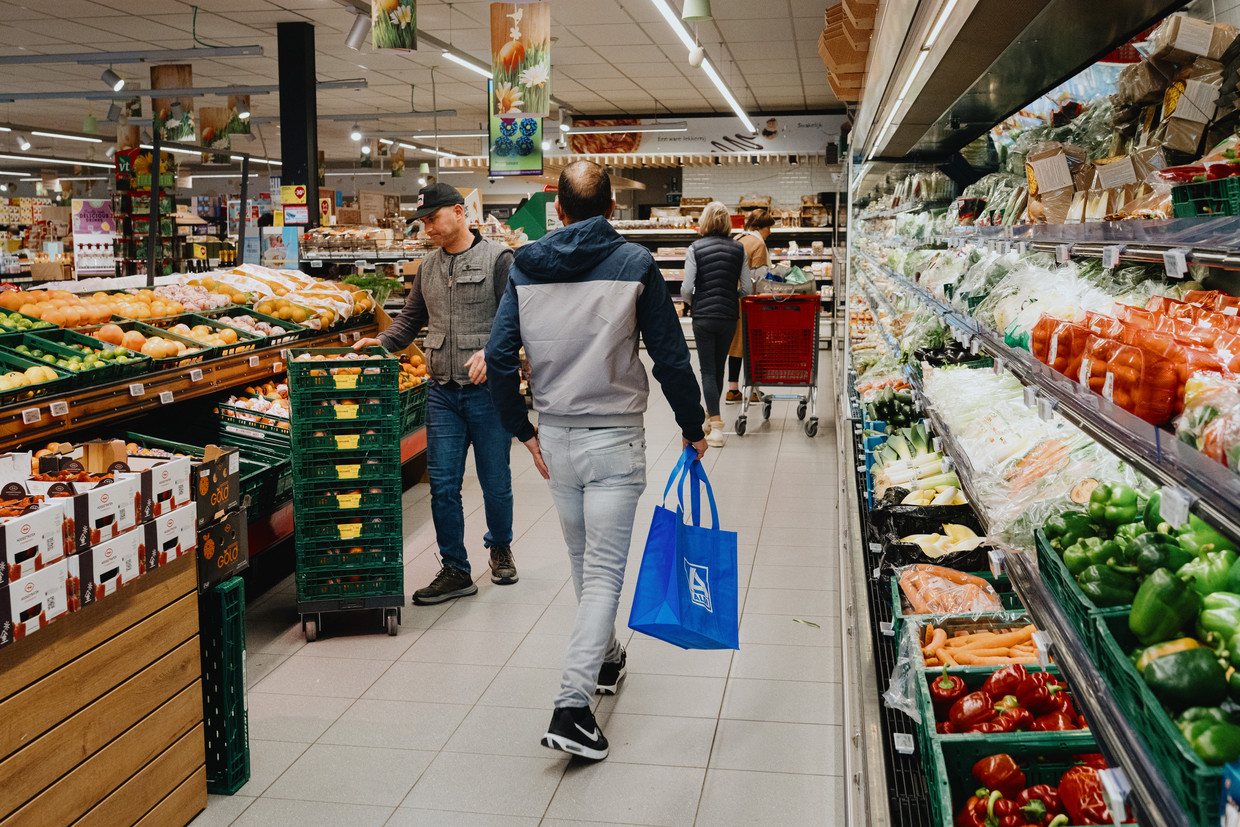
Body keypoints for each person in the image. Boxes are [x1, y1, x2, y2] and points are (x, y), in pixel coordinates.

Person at [486, 160, 708, 761]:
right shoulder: (634, 264)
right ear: (611, 209)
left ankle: (606, 658)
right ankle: (573, 706)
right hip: (613, 439)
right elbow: (668, 356)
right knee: (605, 570)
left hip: (556, 438)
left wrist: (520, 429)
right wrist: (694, 424)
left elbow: (500, 357)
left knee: (587, 562)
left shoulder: (523, 266)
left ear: (557, 210)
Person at [354, 182, 518, 604]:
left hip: (487, 392)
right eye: (423, 221)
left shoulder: (499, 259)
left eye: (433, 219)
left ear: (460, 214)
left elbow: (515, 320)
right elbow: (410, 319)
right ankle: (456, 570)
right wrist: (383, 342)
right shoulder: (426, 267)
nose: (427, 228)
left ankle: (499, 547)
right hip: (441, 391)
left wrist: (493, 352)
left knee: (494, 481)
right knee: (443, 484)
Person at [681, 201, 756, 448]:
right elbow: (746, 288)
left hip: (703, 316)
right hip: (727, 316)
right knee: (719, 368)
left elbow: (685, 288)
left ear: (705, 221)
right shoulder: (739, 249)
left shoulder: (695, 248)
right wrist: (727, 297)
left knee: (707, 370)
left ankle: (716, 427)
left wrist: (696, 300)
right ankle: (708, 414)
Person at [726, 208, 774, 405]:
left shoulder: (737, 237)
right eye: (769, 227)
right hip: (748, 299)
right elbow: (758, 279)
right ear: (761, 227)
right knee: (754, 344)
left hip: (730, 296)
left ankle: (733, 390)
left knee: (736, 344)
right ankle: (754, 390)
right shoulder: (758, 244)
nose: (770, 232)